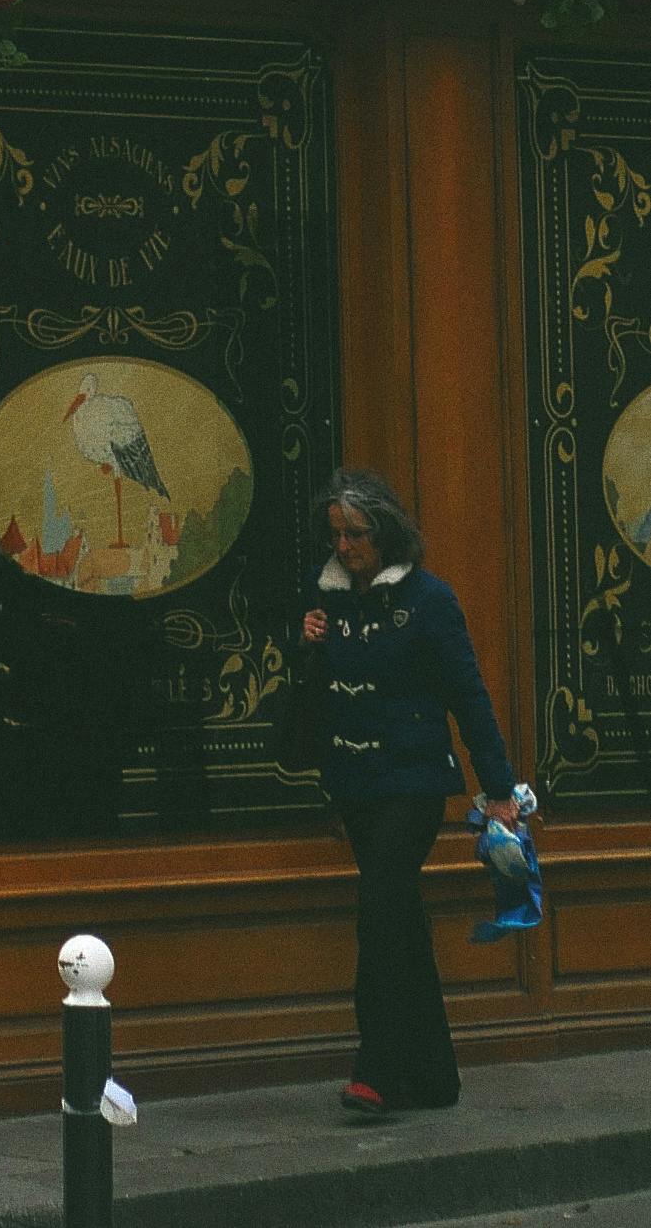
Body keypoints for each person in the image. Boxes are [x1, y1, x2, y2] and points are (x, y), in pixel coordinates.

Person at [289, 469, 537, 1115]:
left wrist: (499, 788)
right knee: (398, 918)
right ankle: (433, 1075)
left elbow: (468, 695)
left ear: (386, 532)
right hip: (355, 787)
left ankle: (377, 1069)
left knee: (378, 911)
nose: (343, 546)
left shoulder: (429, 599)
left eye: (356, 533)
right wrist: (305, 650)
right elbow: (311, 708)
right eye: (335, 532)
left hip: (414, 782)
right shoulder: (326, 601)